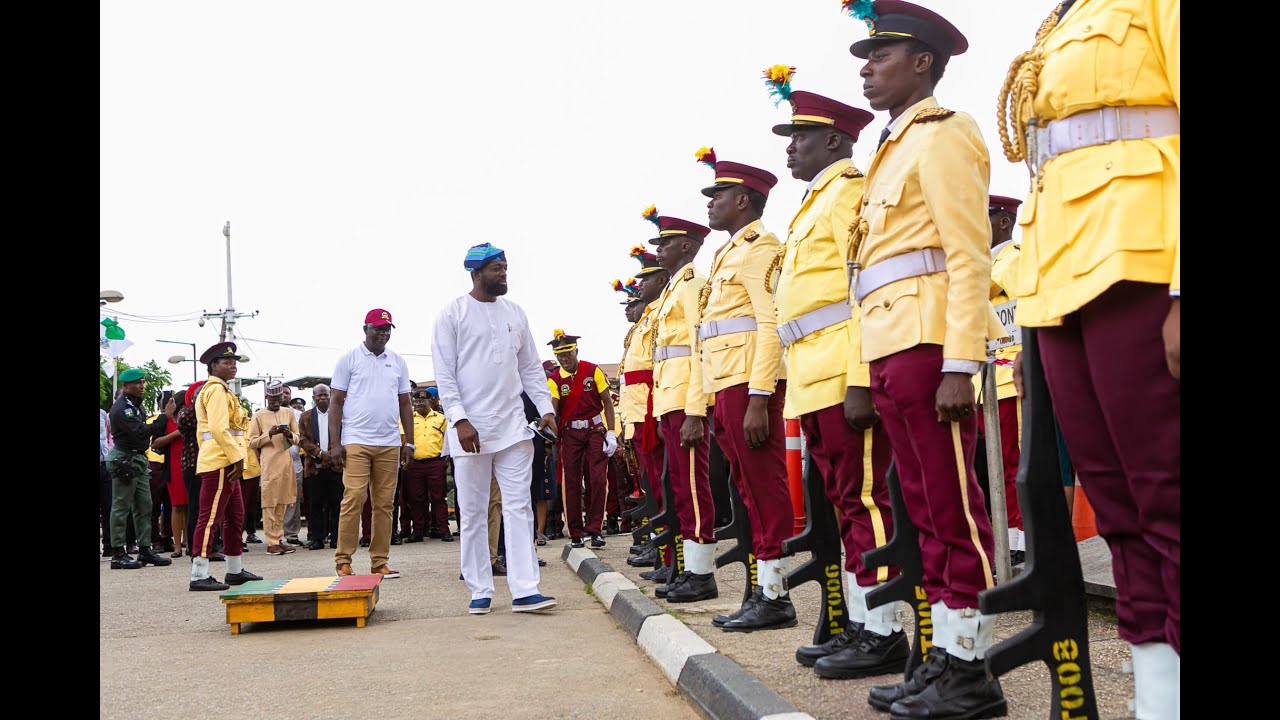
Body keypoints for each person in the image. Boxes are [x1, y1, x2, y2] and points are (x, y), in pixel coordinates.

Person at [998, 1, 1179, 716]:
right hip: (1059, 280)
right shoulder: (1064, 17)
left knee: (1169, 496)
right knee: (1119, 510)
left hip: (1142, 257)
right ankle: (1159, 703)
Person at [848, 1, 1007, 714]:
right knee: (922, 509)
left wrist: (959, 362)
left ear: (922, 63)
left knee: (954, 509)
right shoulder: (890, 148)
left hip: (927, 344)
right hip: (889, 345)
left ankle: (970, 670)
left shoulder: (944, 135)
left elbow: (970, 258)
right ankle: (944, 653)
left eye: (879, 55)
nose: (866, 67)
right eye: (864, 57)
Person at [763, 72, 903, 675]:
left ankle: (886, 628)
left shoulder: (848, 191)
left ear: (838, 143)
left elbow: (859, 291)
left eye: (802, 136)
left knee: (867, 500)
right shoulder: (814, 202)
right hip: (811, 375)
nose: (790, 147)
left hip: (842, 369)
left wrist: (860, 376)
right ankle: (860, 624)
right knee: (846, 504)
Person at [696, 151, 798, 632]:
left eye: (717, 196)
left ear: (742, 199)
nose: (710, 204)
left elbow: (770, 320)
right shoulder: (725, 253)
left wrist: (760, 396)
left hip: (748, 382)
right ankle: (762, 588)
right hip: (725, 382)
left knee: (763, 487)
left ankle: (775, 594)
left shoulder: (761, 247)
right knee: (744, 490)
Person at [431, 242, 558, 615]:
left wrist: (547, 409)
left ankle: (525, 590)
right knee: (471, 512)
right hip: (469, 432)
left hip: (514, 428)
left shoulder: (515, 313)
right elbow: (444, 374)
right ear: (476, 273)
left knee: (518, 507)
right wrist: (459, 418)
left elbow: (531, 367)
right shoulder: (452, 314)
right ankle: (479, 589)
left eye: (505, 267)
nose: (504, 274)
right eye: (496, 269)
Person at [644, 206, 718, 603]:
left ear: (687, 246)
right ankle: (690, 568)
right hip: (669, 400)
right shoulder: (674, 287)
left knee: (693, 486)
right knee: (678, 488)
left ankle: (702, 573)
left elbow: (697, 346)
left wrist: (695, 409)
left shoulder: (691, 285)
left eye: (667, 242)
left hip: (686, 400)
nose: (660, 249)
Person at [329, 309, 415, 579]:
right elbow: (335, 402)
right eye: (378, 328)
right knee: (353, 498)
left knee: (384, 504)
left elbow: (405, 403)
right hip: (356, 440)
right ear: (365, 329)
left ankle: (379, 562)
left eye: (387, 328)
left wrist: (409, 442)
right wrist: (335, 443)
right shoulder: (349, 359)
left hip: (389, 442)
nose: (383, 333)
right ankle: (343, 561)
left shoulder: (398, 362)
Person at [190, 342, 262, 591]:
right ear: (213, 366)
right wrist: (237, 458)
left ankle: (234, 570)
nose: (233, 365)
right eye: (226, 362)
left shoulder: (223, 391)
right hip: (221, 461)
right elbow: (220, 429)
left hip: (227, 460)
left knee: (235, 516)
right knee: (210, 518)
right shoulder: (216, 391)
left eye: (234, 362)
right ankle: (199, 574)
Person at [979, 194, 1026, 565]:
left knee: (1011, 463)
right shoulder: (983, 264)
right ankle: (1002, 539)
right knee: (989, 467)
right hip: (985, 382)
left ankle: (1017, 543)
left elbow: (1024, 315)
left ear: (1003, 222)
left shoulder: (1013, 261)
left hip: (1009, 377)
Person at [619, 250, 671, 574]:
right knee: (650, 485)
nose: (639, 287)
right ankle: (660, 547)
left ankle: (669, 553)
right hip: (638, 414)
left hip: (652, 412)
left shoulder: (657, 315)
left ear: (661, 279)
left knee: (661, 486)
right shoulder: (644, 321)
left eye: (646, 278)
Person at [547, 329, 618, 549]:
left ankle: (595, 529)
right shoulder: (555, 378)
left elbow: (607, 402)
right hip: (570, 433)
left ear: (576, 351)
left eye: (567, 353)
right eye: (559, 355)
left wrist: (611, 432)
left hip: (595, 430)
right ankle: (576, 532)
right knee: (571, 482)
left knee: (598, 479)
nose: (564, 359)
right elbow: (554, 407)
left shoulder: (592, 370)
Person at [106, 368, 174, 570]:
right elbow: (140, 431)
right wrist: (164, 417)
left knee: (144, 505)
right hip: (124, 458)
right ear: (125, 386)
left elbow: (145, 435)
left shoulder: (136, 406)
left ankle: (145, 549)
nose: (141, 386)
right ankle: (118, 552)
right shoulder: (122, 409)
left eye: (143, 382)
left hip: (138, 458)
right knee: (121, 506)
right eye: (137, 383)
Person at [248, 380, 300, 555]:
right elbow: (252, 442)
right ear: (266, 397)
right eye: (272, 400)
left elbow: (297, 438)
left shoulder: (289, 413)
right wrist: (269, 434)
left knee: (284, 501)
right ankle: (271, 542)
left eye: (278, 399)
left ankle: (279, 538)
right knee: (270, 502)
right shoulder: (258, 415)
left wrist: (288, 434)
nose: (276, 402)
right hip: (269, 463)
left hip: (286, 462)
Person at [299, 384, 342, 550]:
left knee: (337, 504)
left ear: (330, 395)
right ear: (313, 397)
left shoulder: (339, 414)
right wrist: (320, 454)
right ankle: (317, 538)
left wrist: (331, 454)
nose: (323, 398)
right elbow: (302, 440)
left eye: (325, 395)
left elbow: (345, 435)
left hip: (336, 465)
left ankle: (336, 539)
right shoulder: (305, 416)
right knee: (315, 504)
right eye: (319, 395)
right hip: (314, 467)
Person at [406, 387, 451, 542]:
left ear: (430, 402)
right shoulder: (408, 419)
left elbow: (448, 440)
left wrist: (444, 459)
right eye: (416, 401)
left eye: (422, 401)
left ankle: (444, 530)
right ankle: (418, 532)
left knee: (439, 498)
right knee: (416, 499)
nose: (419, 404)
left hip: (436, 463)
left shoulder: (441, 419)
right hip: (415, 464)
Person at [153, 390, 190, 558]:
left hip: (190, 465)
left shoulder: (191, 421)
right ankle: (177, 547)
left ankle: (189, 544)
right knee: (177, 506)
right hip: (173, 467)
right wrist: (177, 432)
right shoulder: (167, 422)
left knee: (191, 506)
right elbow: (156, 443)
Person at [280, 385, 306, 546]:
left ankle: (291, 534)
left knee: (293, 500)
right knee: (274, 499)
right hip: (272, 463)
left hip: (294, 462)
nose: (284, 396)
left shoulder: (299, 415)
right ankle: (274, 535)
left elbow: (303, 437)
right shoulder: (262, 414)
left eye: (287, 393)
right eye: (281, 393)